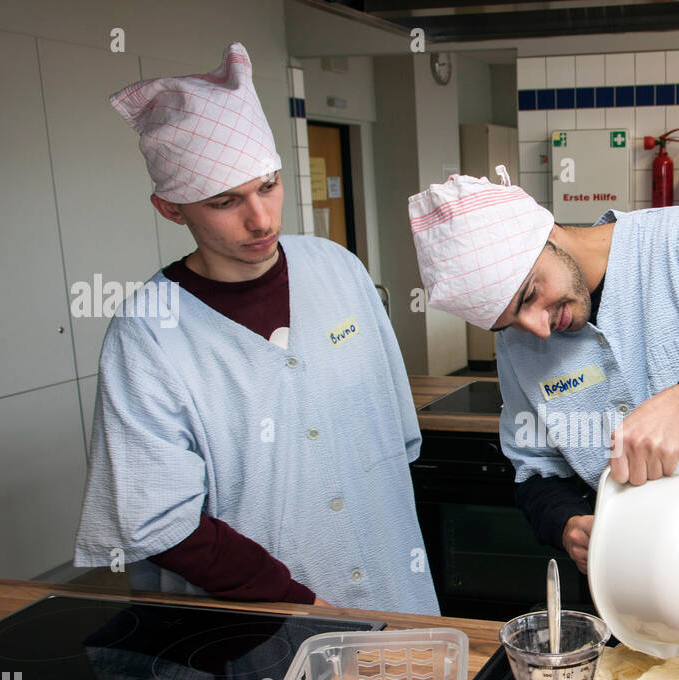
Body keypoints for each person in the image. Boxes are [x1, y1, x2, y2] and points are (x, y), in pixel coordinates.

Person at [74, 43, 438, 615]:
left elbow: (392, 434)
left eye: (268, 186)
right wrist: (301, 603)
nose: (261, 219)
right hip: (259, 620)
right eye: (226, 201)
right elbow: (163, 522)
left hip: (393, 584)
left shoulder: (336, 268)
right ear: (172, 209)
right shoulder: (147, 334)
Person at [408, 170, 679, 628]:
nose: (537, 328)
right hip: (647, 610)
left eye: (530, 295)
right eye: (509, 322)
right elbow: (536, 472)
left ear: (543, 230)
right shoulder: (521, 341)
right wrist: (567, 523)